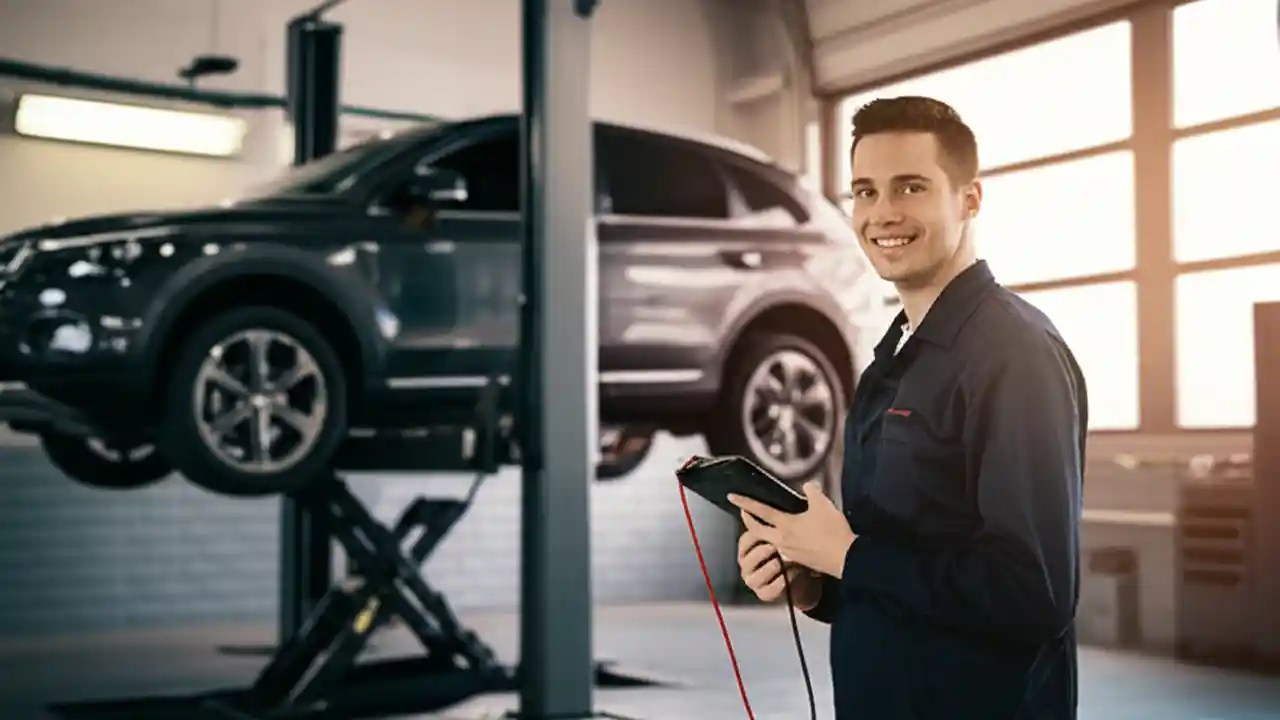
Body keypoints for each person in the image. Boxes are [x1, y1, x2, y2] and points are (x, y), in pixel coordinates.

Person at [728, 96, 1088, 719]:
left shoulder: (1015, 354)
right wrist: (814, 581)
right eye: (865, 192)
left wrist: (847, 556)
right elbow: (893, 563)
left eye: (911, 187)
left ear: (970, 199)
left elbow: (1034, 593)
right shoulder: (889, 365)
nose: (882, 213)